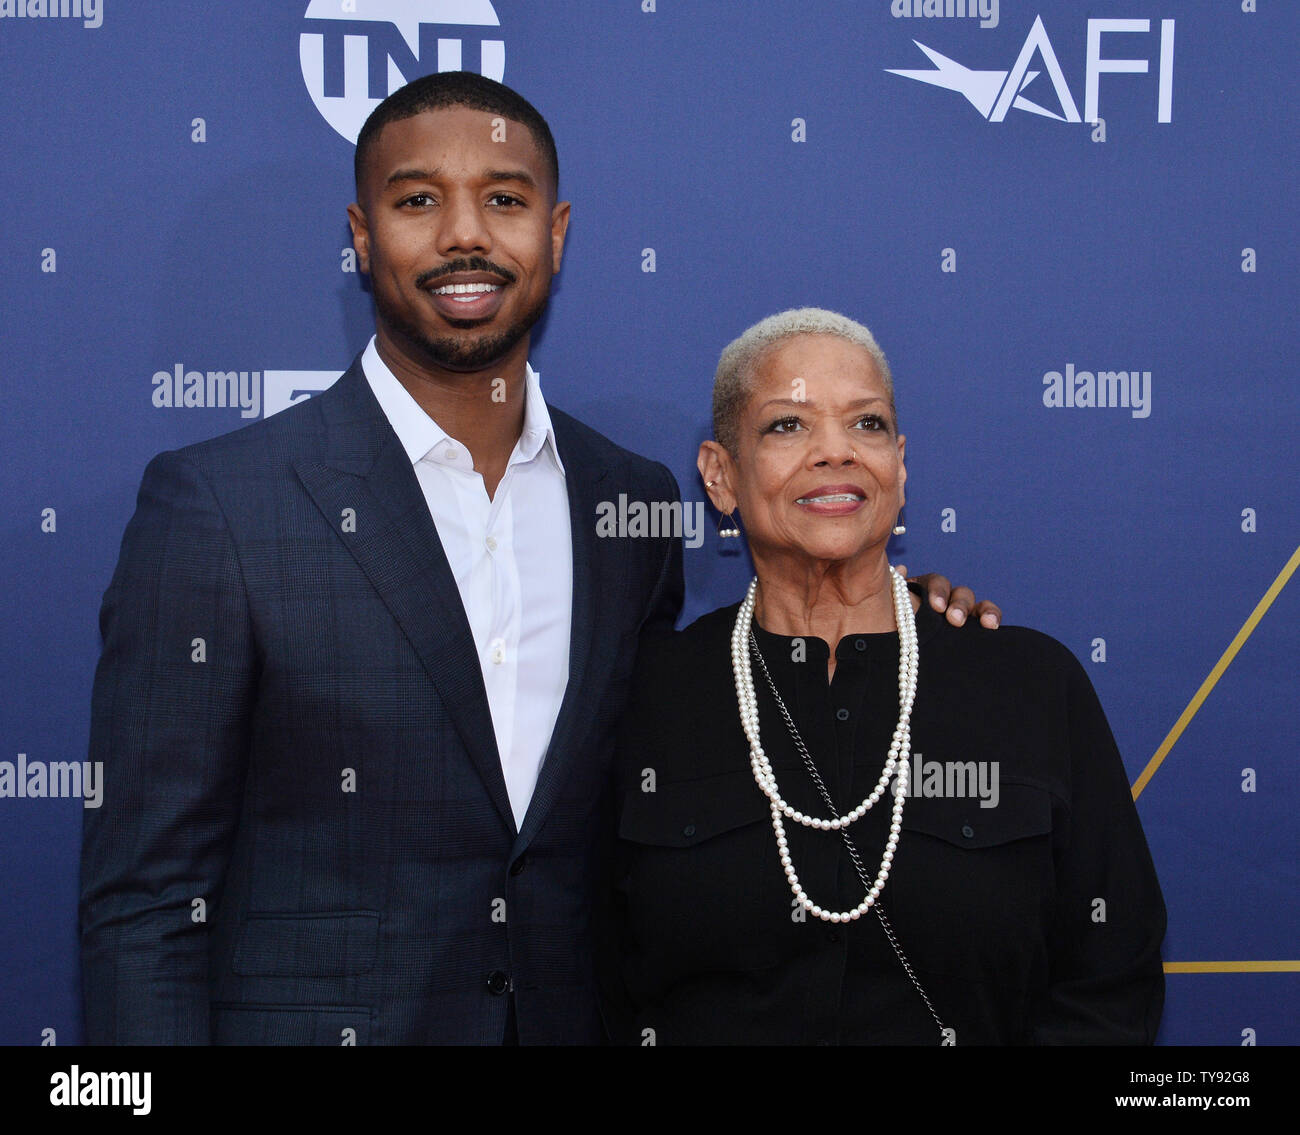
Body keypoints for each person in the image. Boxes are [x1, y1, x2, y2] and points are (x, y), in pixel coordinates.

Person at [79, 75, 993, 1046]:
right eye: (418, 199)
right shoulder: (221, 506)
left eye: (504, 199)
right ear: (359, 234)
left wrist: (883, 608)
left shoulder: (627, 505)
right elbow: (145, 905)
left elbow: (680, 759)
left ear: (555, 234)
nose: (464, 234)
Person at [604, 308, 1166, 1045]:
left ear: (899, 465)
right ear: (720, 474)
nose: (835, 452)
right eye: (788, 426)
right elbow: (593, 979)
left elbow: (1110, 984)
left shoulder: (1031, 684)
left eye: (866, 424)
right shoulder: (646, 693)